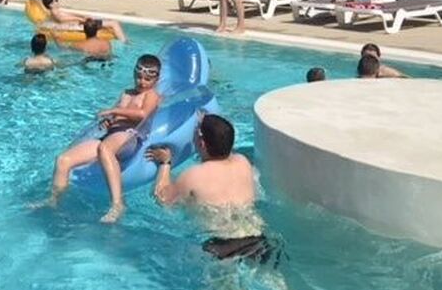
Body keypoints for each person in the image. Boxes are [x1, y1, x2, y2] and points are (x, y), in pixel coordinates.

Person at [38, 55, 162, 223]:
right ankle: (53, 200)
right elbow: (115, 113)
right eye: (138, 77)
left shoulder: (151, 95)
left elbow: (142, 114)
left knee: (105, 149)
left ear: (156, 79)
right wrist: (108, 120)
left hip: (130, 135)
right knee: (63, 160)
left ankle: (118, 204)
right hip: (110, 135)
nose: (142, 82)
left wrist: (115, 112)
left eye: (147, 79)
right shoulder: (126, 93)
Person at [146, 113, 274, 263]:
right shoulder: (243, 162)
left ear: (201, 142)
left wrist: (165, 163)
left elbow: (162, 199)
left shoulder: (193, 175)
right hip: (259, 239)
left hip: (223, 247)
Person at [40, 0, 128, 42]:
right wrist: (82, 19)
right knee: (113, 23)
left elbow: (69, 15)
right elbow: (63, 20)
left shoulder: (56, 11)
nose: (58, 1)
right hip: (82, 25)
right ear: (51, 4)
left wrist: (81, 16)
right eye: (56, 0)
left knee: (110, 23)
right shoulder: (56, 13)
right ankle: (124, 42)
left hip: (81, 23)